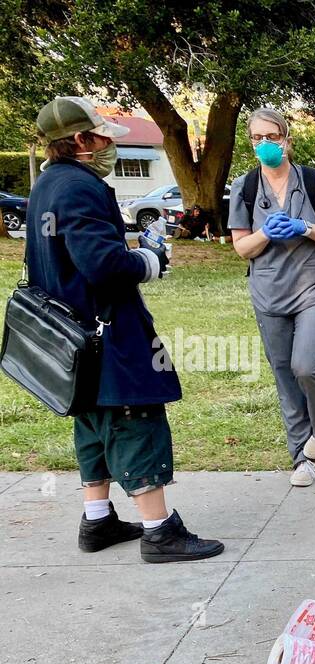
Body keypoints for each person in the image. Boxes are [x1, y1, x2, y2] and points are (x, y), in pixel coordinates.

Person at [25, 96, 223, 563]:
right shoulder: (80, 186)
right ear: (79, 140)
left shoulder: (46, 185)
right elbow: (103, 265)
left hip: (68, 332)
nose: (106, 145)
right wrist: (148, 261)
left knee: (91, 420)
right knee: (135, 418)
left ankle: (98, 520)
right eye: (99, 136)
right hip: (107, 330)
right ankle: (160, 532)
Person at [228, 107, 315, 487]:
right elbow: (241, 247)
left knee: (306, 366)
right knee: (284, 376)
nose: (266, 144)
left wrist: (304, 227)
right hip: (269, 293)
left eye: (273, 137)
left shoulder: (314, 181)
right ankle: (303, 457)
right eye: (257, 138)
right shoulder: (244, 187)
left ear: (287, 141)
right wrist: (266, 234)